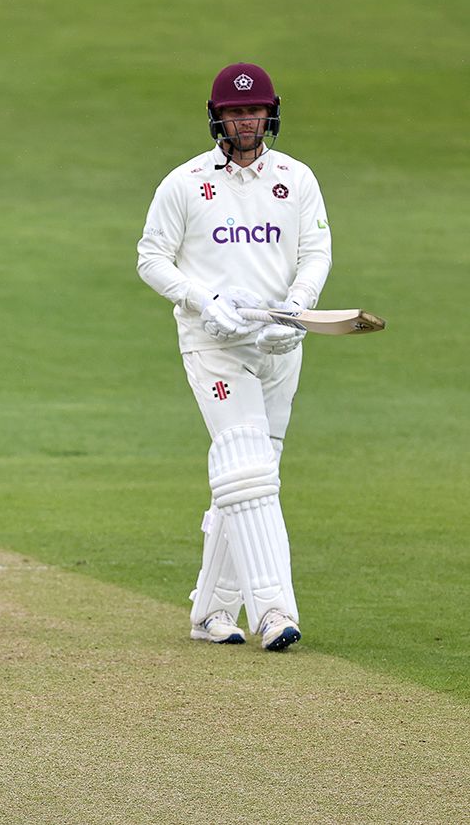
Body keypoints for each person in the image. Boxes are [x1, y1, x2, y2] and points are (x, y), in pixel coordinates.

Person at [137, 63, 332, 651]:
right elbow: (151, 258)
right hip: (213, 341)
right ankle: (274, 611)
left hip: (277, 342)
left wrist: (296, 310)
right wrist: (205, 298)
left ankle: (211, 612)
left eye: (253, 110)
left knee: (252, 477)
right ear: (216, 116)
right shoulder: (186, 182)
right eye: (234, 111)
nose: (245, 120)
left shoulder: (296, 179)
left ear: (269, 114)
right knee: (246, 466)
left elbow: (316, 252)